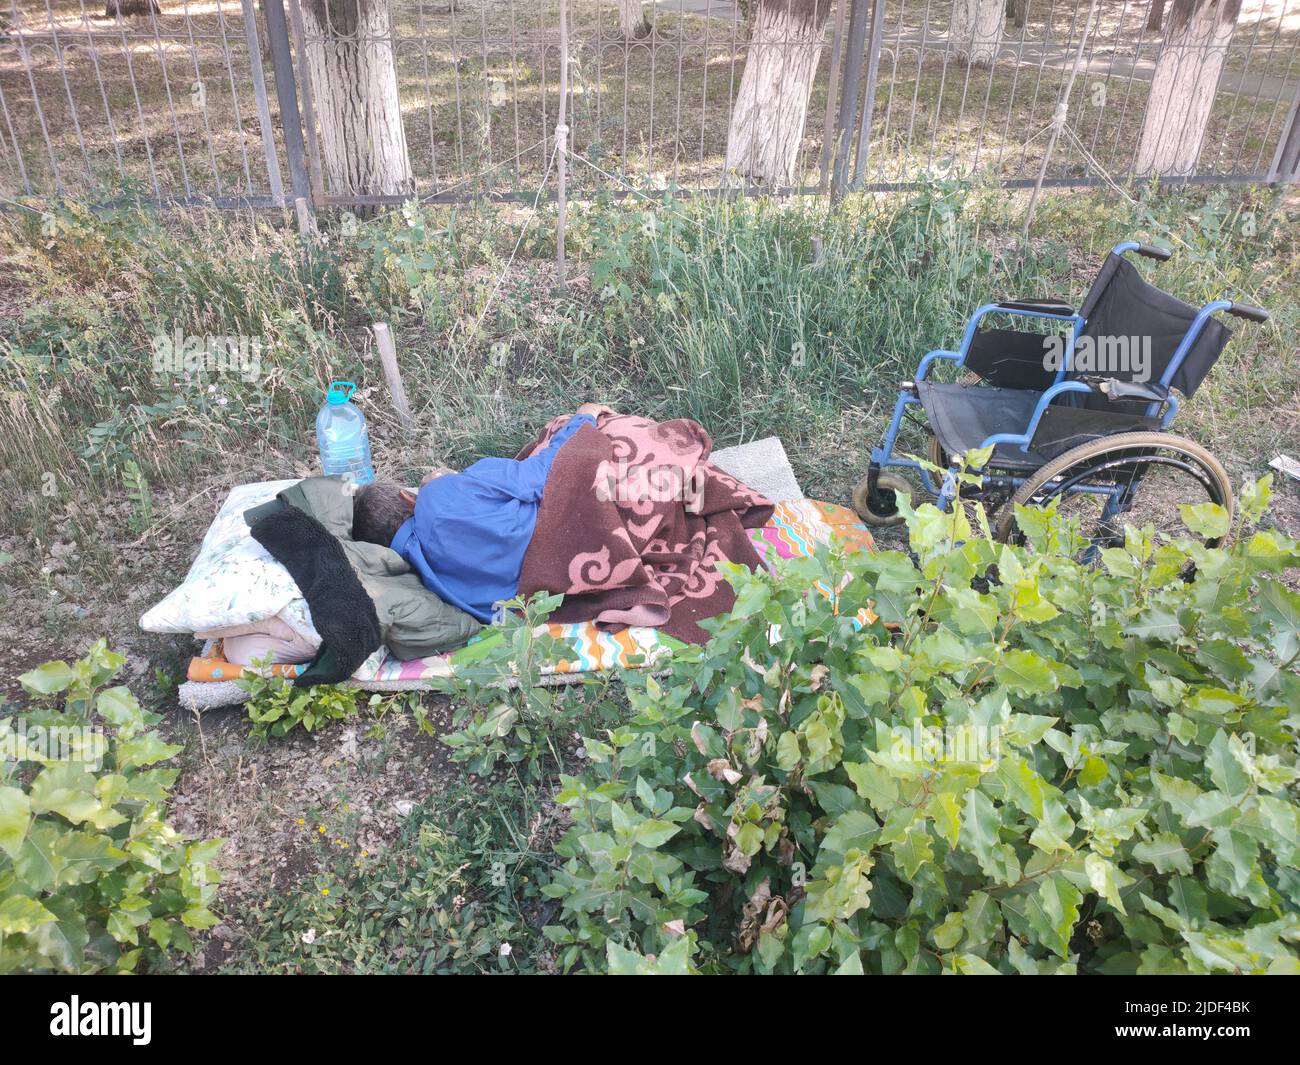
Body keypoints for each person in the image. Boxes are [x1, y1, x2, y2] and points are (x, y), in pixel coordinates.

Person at [350, 403, 615, 622]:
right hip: (575, 526)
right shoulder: (437, 498)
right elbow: (542, 475)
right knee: (596, 432)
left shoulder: (422, 579)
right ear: (406, 496)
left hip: (558, 585)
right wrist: (583, 418)